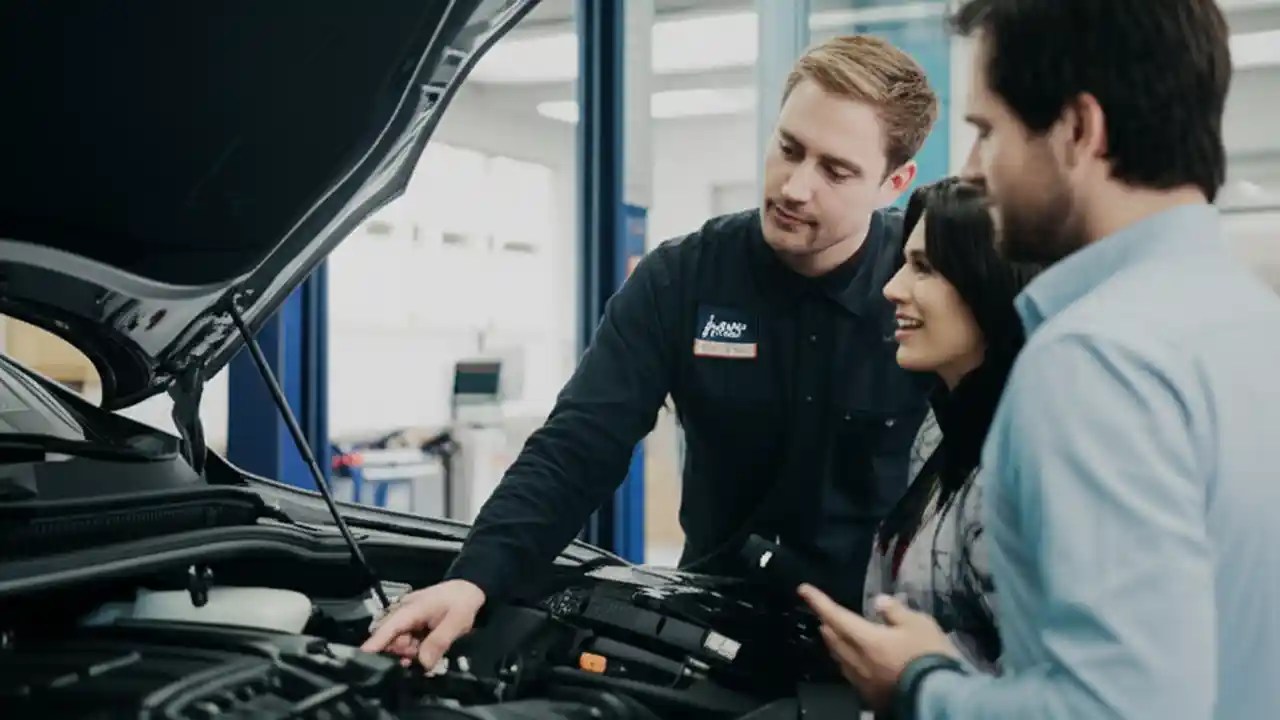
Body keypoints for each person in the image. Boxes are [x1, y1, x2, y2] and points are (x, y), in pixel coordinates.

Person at [363, 35, 942, 669]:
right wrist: (473, 579)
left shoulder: (930, 288)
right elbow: (579, 444)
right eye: (788, 149)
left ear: (895, 182)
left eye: (835, 170)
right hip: (715, 638)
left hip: (876, 649)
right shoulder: (681, 279)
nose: (796, 188)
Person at [799, 0, 1280, 718]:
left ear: (1078, 132)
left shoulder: (1093, 361)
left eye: (987, 132)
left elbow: (1120, 710)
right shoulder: (1251, 327)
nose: (972, 170)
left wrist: (921, 683)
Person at [864, 176, 1035, 675]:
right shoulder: (940, 432)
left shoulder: (1020, 471)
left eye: (924, 268)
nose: (892, 288)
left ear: (990, 282)